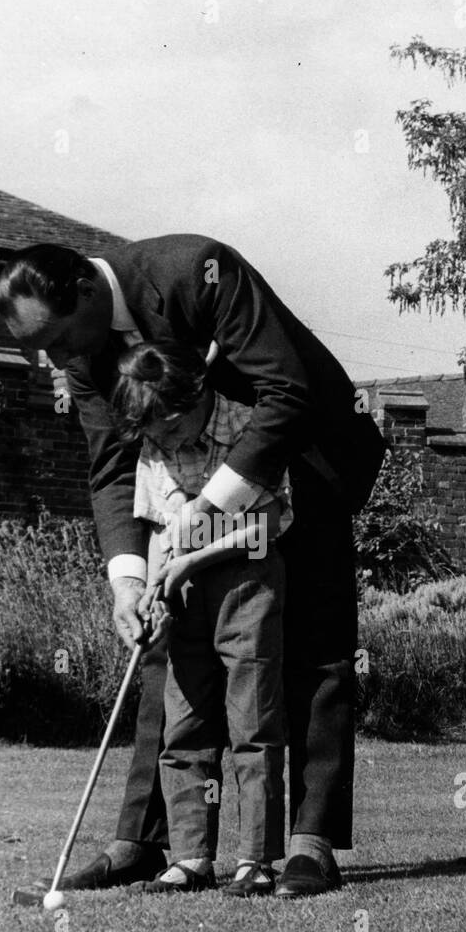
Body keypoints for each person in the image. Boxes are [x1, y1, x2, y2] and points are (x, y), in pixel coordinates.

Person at [0, 235, 385, 898]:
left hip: (309, 458)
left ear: (88, 294)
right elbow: (114, 467)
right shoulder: (87, 358)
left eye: (58, 341)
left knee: (314, 651)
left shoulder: (194, 273)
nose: (56, 361)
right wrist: (128, 582)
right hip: (194, 502)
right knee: (165, 653)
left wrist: (203, 512)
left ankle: (307, 844)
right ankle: (145, 843)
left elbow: (284, 392)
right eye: (43, 350)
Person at [112, 340, 290, 896]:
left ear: (187, 404)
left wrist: (193, 558)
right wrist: (149, 593)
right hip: (184, 593)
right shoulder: (153, 447)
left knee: (252, 723)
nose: (159, 446)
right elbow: (161, 527)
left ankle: (255, 860)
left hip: (246, 585)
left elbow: (271, 526)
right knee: (183, 725)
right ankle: (190, 858)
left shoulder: (247, 427)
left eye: (164, 432)